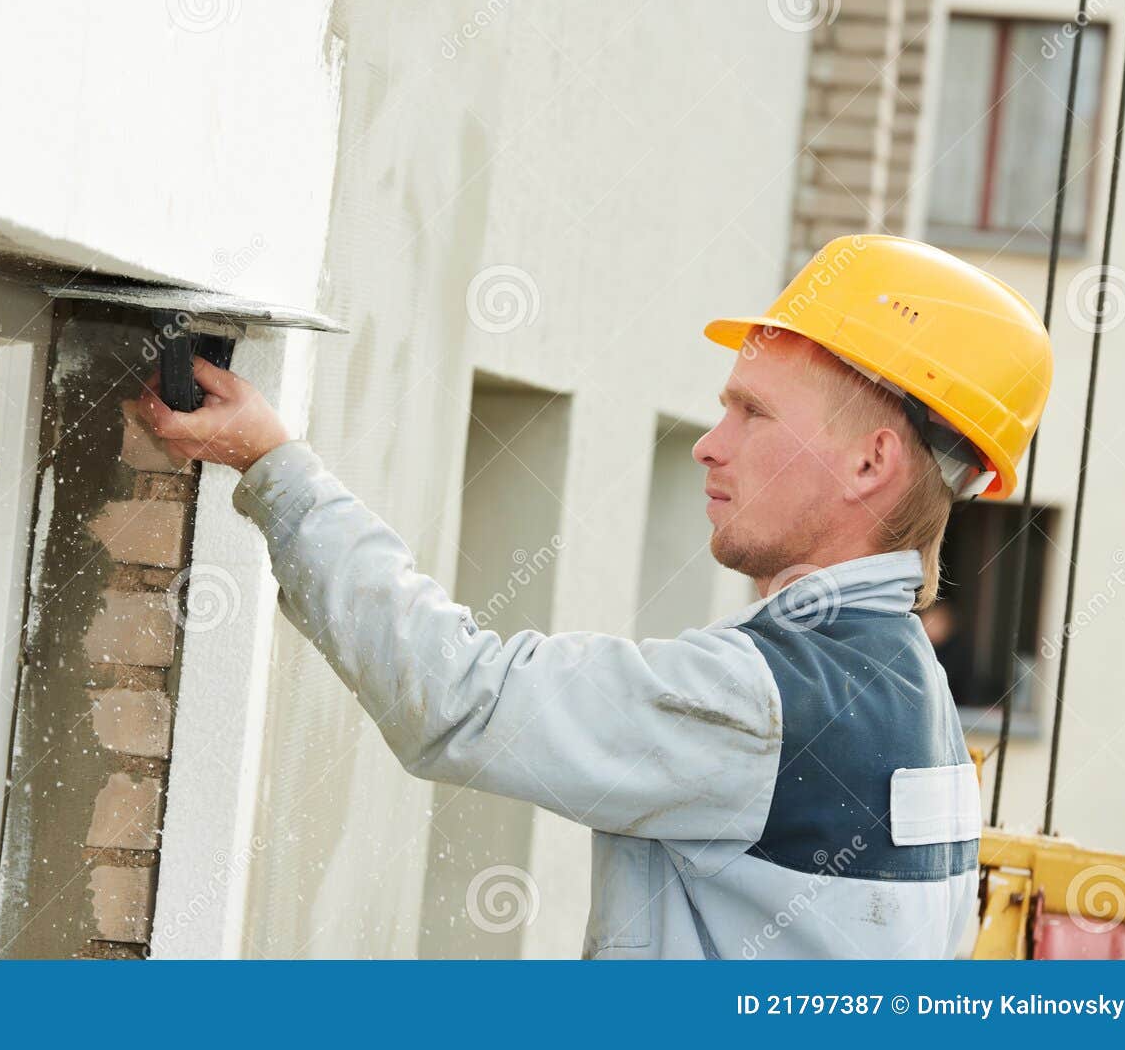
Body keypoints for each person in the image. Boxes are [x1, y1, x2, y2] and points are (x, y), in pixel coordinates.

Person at [135, 234, 1052, 959]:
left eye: (754, 412)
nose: (709, 443)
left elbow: (462, 699)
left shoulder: (771, 701)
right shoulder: (916, 696)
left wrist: (273, 465)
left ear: (870, 462)